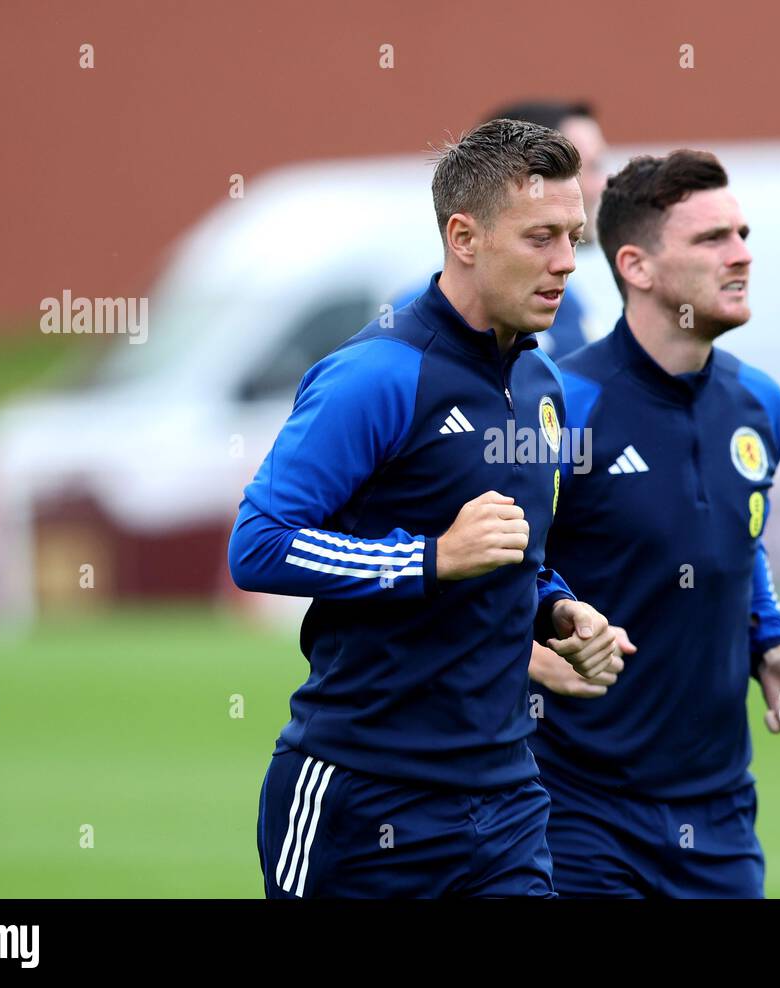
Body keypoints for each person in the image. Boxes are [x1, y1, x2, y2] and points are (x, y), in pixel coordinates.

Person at [228, 118, 618, 898]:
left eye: (574, 237)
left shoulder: (541, 387)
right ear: (464, 237)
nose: (567, 263)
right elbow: (259, 544)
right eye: (541, 237)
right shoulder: (374, 376)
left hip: (506, 800)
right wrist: (428, 558)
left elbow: (510, 553)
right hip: (362, 796)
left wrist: (558, 611)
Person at [528, 150, 780, 897]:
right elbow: (506, 566)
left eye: (743, 233)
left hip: (721, 815)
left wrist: (772, 641)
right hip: (576, 812)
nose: (742, 254)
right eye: (711, 239)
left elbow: (737, 543)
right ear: (637, 265)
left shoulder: (761, 403)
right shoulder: (563, 406)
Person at [395, 101, 608, 360]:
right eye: (591, 167)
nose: (602, 185)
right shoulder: (406, 330)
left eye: (573, 239)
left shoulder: (567, 303)